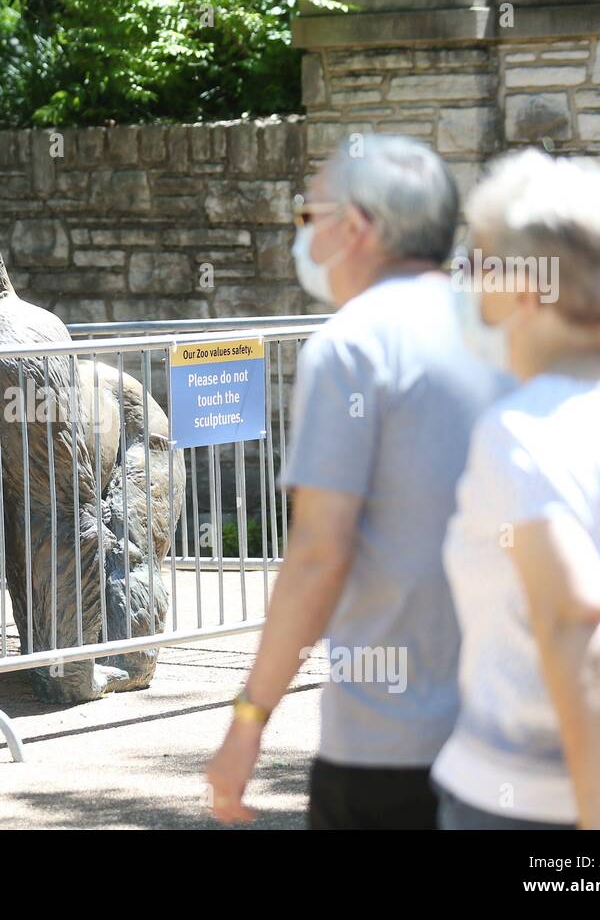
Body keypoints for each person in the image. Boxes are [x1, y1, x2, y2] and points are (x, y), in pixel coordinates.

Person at [205, 135, 507, 828]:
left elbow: (319, 552)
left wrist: (250, 716)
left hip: (388, 747)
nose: (303, 235)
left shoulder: (353, 346)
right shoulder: (507, 330)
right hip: (510, 735)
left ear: (360, 228)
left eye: (311, 215)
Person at [434, 149, 600, 830]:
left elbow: (580, 621)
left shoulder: (521, 435)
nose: (464, 282)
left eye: (478, 262)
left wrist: (599, 828)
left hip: (542, 807)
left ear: (526, 288)